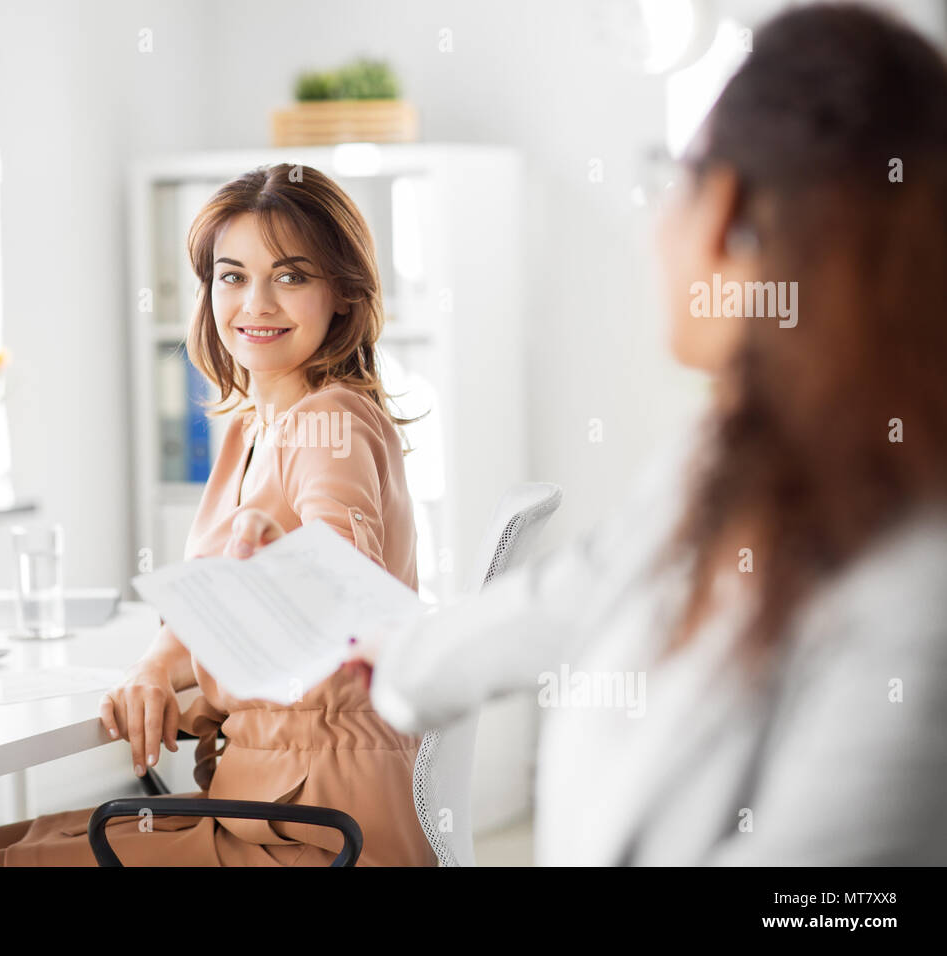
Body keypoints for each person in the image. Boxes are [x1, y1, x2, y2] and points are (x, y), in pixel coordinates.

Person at [250, 4, 947, 865]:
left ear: (725, 208)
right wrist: (405, 655)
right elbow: (586, 586)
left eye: (667, 182)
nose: (656, 229)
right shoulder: (731, 459)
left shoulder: (916, 588)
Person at [0, 164, 435, 866]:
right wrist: (150, 669)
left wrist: (273, 571)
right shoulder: (246, 428)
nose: (255, 303)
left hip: (314, 819)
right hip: (256, 790)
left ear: (344, 297)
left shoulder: (330, 422)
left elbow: (349, 589)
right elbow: (196, 618)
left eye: (291, 276)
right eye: (232, 276)